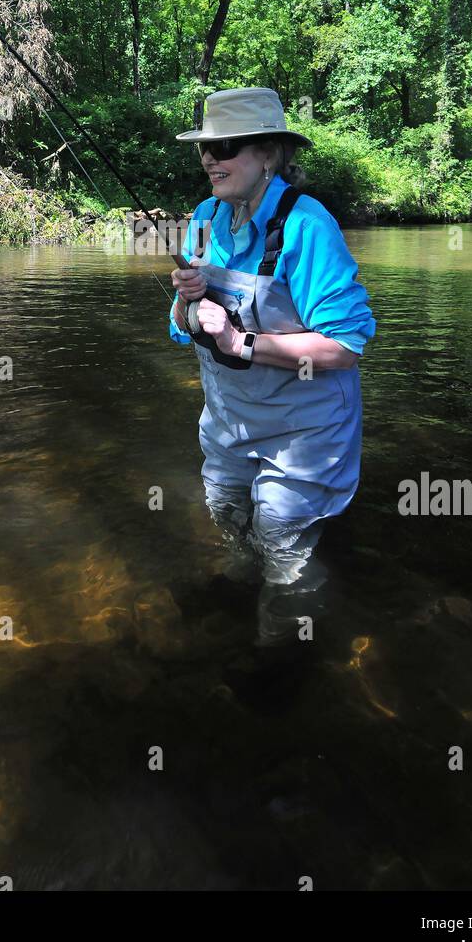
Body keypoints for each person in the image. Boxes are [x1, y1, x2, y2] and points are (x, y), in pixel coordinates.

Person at [168, 87, 376, 640]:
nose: (211, 159)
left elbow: (347, 347)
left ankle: (281, 654)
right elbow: (177, 327)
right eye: (204, 149)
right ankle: (238, 590)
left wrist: (244, 344)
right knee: (227, 514)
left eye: (227, 146)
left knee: (283, 538)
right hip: (229, 423)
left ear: (269, 154)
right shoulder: (206, 219)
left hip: (304, 432)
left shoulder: (308, 226)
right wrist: (188, 299)